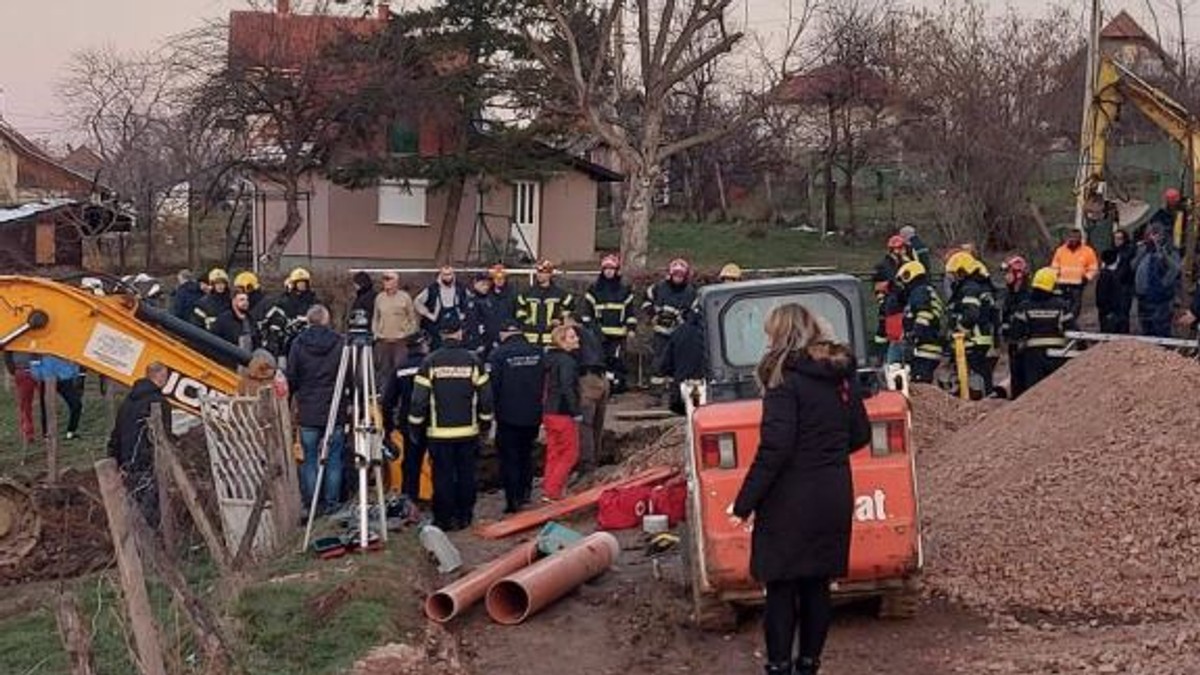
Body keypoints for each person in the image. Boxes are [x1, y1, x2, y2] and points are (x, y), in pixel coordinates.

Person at [729, 304, 870, 675]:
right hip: (834, 494)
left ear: (779, 335)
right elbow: (861, 435)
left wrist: (743, 503)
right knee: (816, 585)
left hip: (790, 501)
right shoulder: (840, 377)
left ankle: (779, 667)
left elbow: (775, 447)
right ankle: (810, 666)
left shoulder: (783, 379)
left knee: (781, 587)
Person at [409, 316, 494, 530]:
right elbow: (486, 398)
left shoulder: (430, 362)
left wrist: (414, 426)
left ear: (441, 334)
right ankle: (464, 516)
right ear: (460, 333)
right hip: (468, 431)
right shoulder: (474, 360)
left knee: (443, 477)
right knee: (466, 475)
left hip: (439, 433)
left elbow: (418, 400)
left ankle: (444, 519)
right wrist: (485, 424)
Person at [287, 305, 347, 516]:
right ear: (326, 320)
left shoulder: (298, 344)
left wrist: (290, 402)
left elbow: (291, 377)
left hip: (308, 410)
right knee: (333, 459)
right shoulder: (340, 343)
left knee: (310, 459)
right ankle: (332, 504)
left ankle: (312, 504)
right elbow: (348, 374)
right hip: (334, 408)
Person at [488, 319, 544, 513]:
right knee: (526, 453)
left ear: (504, 334)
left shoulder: (498, 354)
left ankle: (513, 500)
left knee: (509, 457)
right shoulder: (537, 351)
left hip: (508, 415)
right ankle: (526, 493)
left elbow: (492, 385)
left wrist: (489, 413)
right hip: (533, 413)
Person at [108, 362, 171, 526]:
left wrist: (116, 459)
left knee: (133, 506)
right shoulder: (159, 403)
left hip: (127, 463)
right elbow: (164, 438)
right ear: (160, 376)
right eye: (165, 376)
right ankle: (155, 542)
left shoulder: (127, 403)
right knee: (151, 509)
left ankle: (139, 541)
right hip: (148, 463)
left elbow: (117, 432)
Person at [380, 331, 430, 501]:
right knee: (440, 462)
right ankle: (442, 500)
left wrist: (388, 427)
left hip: (409, 423)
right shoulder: (431, 364)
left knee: (411, 463)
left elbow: (388, 401)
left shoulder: (400, 368)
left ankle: (409, 502)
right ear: (423, 345)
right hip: (434, 422)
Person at [580, 254, 637, 393]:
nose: (609, 271)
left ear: (617, 270)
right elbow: (587, 314)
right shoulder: (594, 290)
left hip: (618, 334)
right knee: (599, 361)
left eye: (612, 268)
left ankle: (613, 388)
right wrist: (592, 330)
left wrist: (631, 329)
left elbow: (630, 313)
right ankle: (602, 388)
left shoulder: (624, 290)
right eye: (606, 268)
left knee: (615, 362)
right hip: (599, 334)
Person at [1010, 268, 1073, 392]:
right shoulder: (1061, 305)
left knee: (1033, 392)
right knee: (1056, 390)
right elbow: (1072, 329)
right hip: (1058, 355)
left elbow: (1016, 332)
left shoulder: (1025, 306)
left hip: (1032, 356)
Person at [945, 251, 997, 397]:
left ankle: (984, 403)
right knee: (980, 376)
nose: (952, 278)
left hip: (973, 340)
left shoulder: (969, 288)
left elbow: (971, 313)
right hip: (976, 340)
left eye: (954, 274)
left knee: (977, 377)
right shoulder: (974, 286)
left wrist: (960, 330)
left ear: (962, 271)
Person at [644, 258, 698, 393]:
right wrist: (654, 314)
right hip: (660, 333)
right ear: (670, 274)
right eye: (675, 275)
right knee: (659, 362)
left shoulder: (691, 292)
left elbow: (694, 313)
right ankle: (656, 393)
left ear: (685, 276)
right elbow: (646, 302)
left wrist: (682, 319)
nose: (677, 278)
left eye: (680, 276)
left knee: (677, 362)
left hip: (679, 334)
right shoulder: (658, 288)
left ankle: (675, 393)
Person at [541, 324, 581, 501]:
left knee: (554, 453)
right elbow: (567, 387)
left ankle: (549, 489)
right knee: (570, 453)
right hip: (562, 412)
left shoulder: (548, 358)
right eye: (572, 337)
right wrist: (576, 411)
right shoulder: (567, 361)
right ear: (562, 341)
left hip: (548, 411)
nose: (577, 339)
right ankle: (554, 492)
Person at [571, 318, 609, 477]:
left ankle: (587, 468)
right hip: (602, 379)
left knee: (584, 425)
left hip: (587, 380)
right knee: (597, 424)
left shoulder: (574, 333)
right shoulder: (593, 332)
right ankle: (594, 462)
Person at [896, 261, 943, 384]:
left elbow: (924, 314)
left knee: (921, 385)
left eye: (903, 279)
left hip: (925, 349)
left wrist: (914, 336)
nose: (902, 285)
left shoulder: (919, 291)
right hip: (929, 346)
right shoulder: (925, 290)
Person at [1133, 223, 1181, 337]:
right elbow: (1133, 266)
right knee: (1146, 328)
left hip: (1160, 299)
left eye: (1156, 234)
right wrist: (1141, 251)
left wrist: (1164, 284)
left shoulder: (1170, 250)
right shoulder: (1145, 249)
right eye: (1150, 234)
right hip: (1143, 297)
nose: (1152, 237)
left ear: (1163, 235)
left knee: (1161, 329)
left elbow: (1175, 269)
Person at [871, 235, 912, 365]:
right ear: (893, 250)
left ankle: (889, 359)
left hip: (898, 304)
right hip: (890, 305)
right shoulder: (884, 266)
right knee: (884, 334)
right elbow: (884, 285)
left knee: (895, 334)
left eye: (903, 248)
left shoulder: (903, 263)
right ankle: (881, 358)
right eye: (900, 248)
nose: (903, 251)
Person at [373, 271, 419, 385]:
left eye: (389, 279)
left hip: (400, 342)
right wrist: (376, 332)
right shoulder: (379, 298)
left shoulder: (405, 297)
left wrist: (407, 334)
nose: (386, 282)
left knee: (400, 370)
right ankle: (384, 397)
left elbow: (413, 319)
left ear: (396, 282)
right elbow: (375, 318)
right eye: (384, 279)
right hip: (383, 341)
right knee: (384, 371)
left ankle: (400, 398)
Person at [657, 308, 705, 415]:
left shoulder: (677, 333)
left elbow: (665, 364)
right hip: (705, 386)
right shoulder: (707, 332)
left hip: (681, 389)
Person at [263, 267, 318, 358]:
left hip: (310, 339)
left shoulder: (313, 300)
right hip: (290, 339)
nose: (302, 286)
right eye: (299, 283)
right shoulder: (285, 301)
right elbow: (276, 318)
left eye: (304, 283)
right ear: (293, 284)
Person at [518, 260, 575, 347]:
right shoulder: (528, 293)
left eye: (543, 272)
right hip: (530, 338)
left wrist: (560, 320)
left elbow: (570, 309)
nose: (539, 275)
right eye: (538, 272)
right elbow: (518, 308)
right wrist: (526, 321)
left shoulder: (559, 294)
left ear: (550, 274)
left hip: (551, 338)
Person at [30, 355, 84, 440]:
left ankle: (70, 433)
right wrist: (39, 375)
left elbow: (74, 358)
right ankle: (46, 434)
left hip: (65, 379)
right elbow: (34, 360)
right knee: (45, 407)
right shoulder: (41, 346)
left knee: (76, 405)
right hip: (47, 379)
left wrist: (74, 373)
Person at [1050, 228, 1099, 322]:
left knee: (1076, 305)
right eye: (1071, 237)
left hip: (1078, 283)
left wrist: (1087, 277)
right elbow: (1054, 266)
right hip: (1062, 283)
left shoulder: (1088, 251)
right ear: (1067, 238)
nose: (1073, 239)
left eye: (1076, 237)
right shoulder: (1060, 250)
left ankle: (1071, 322)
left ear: (1080, 238)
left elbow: (1093, 267)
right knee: (1062, 304)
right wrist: (1055, 278)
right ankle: (1063, 321)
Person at [998, 256, 1030, 398]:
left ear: (1018, 274)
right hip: (1013, 341)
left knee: (1023, 373)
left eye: (1008, 272)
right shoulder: (1010, 294)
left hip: (1023, 343)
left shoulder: (1026, 296)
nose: (1006, 276)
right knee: (1015, 374)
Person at [415, 265, 468, 348]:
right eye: (445, 274)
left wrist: (463, 315)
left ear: (453, 275)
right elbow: (417, 302)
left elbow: (470, 301)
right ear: (440, 275)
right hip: (436, 331)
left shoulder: (461, 288)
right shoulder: (432, 289)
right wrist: (429, 314)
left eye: (449, 274)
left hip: (456, 331)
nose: (447, 277)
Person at [1098, 229, 1136, 334]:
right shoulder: (1111, 252)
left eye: (1120, 239)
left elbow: (1126, 270)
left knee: (1122, 315)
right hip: (1110, 288)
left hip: (1124, 287)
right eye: (1115, 238)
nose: (1117, 241)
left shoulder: (1128, 253)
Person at [4, 352, 37, 443]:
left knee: (46, 402)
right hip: (23, 371)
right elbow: (7, 353)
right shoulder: (12, 339)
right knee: (25, 404)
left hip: (40, 370)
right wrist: (13, 370)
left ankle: (47, 433)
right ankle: (28, 433)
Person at [462, 273, 497, 357]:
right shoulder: (472, 301)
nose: (486, 287)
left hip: (489, 340)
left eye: (487, 284)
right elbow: (472, 324)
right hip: (478, 342)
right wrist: (477, 343)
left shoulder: (489, 298)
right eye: (483, 284)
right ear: (475, 283)